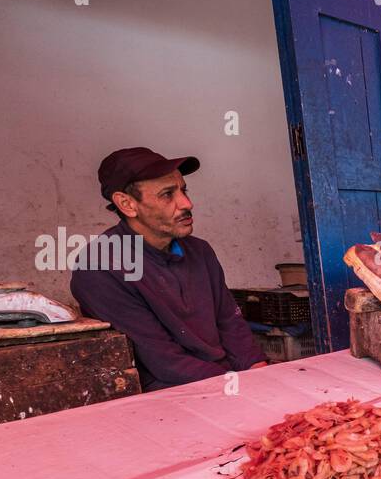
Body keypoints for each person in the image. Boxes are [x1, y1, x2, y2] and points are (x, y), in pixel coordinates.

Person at [70, 147, 267, 390]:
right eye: (167, 194)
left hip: (224, 380)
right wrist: (235, 385)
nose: (187, 203)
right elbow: (164, 361)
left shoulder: (200, 251)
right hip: (168, 394)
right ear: (127, 204)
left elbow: (230, 323)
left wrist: (258, 370)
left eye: (183, 190)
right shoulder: (101, 267)